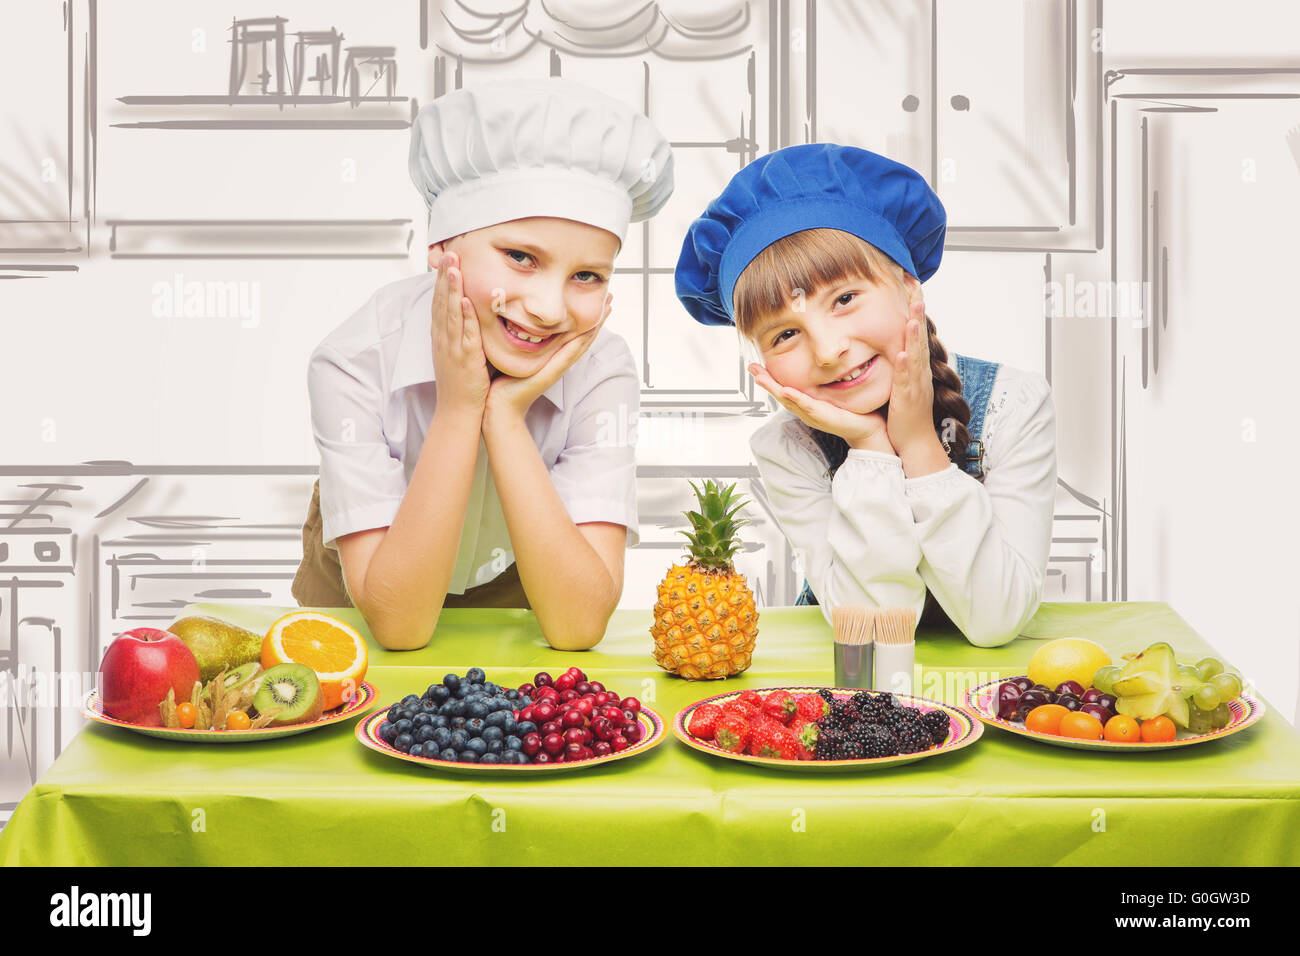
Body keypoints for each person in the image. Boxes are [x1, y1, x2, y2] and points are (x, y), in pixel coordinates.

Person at [291, 78, 674, 651]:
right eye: (521, 257)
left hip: (516, 582)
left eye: (587, 276)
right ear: (440, 248)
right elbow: (398, 626)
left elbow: (577, 626)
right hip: (369, 589)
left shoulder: (602, 368)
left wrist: (504, 417)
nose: (548, 309)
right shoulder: (353, 361)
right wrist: (458, 409)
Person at [674, 143, 1056, 648]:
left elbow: (996, 620)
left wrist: (919, 444)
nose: (829, 350)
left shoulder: (1014, 403)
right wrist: (871, 445)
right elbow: (874, 633)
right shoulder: (790, 448)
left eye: (845, 299)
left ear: (908, 285)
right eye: (784, 335)